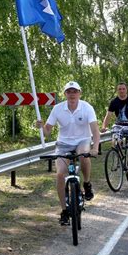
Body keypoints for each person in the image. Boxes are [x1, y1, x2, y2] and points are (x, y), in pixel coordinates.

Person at [36, 81, 100, 226]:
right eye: (69, 91)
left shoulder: (87, 107)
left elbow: (95, 131)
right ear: (65, 94)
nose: (72, 94)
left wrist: (95, 147)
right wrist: (41, 127)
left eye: (75, 91)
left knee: (84, 155)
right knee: (60, 174)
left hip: (82, 141)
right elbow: (47, 131)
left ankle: (87, 183)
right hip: (63, 144)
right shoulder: (58, 109)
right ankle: (64, 211)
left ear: (79, 93)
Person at [101, 82, 128, 175]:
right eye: (119, 89)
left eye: (123, 89)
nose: (121, 91)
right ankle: (117, 159)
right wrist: (104, 126)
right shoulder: (114, 102)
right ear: (117, 90)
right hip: (119, 126)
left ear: (126, 89)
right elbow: (108, 116)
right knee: (115, 141)